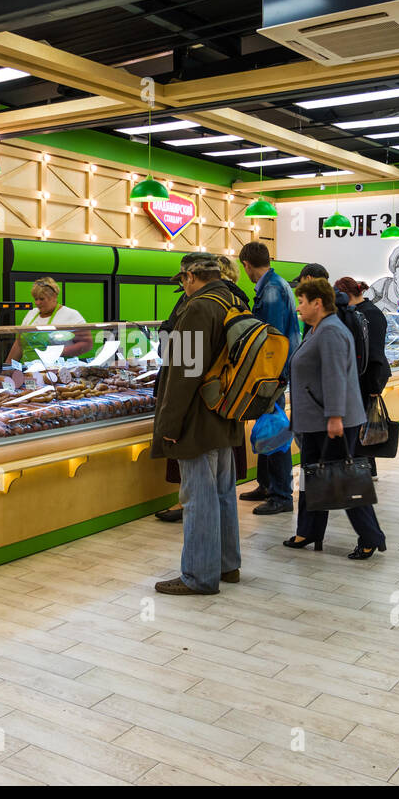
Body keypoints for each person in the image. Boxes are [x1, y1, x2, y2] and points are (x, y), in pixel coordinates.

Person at [151, 253, 244, 595]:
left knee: (197, 497)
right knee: (222, 493)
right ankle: (226, 565)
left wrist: (169, 425)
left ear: (190, 277)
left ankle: (198, 576)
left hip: (197, 417)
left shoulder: (198, 307)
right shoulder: (234, 299)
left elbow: (184, 371)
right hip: (226, 411)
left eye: (182, 281)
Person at [284, 278, 386, 559]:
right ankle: (308, 530)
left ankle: (371, 536)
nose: (298, 308)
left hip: (331, 420)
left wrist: (335, 418)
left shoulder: (330, 332)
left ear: (318, 303)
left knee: (342, 479)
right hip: (317, 419)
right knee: (311, 477)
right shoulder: (318, 329)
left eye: (302, 302)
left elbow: (335, 376)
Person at [237, 241, 300, 516]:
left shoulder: (271, 289)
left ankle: (281, 495)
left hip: (272, 373)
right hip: (275, 372)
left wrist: (268, 375)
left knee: (275, 432)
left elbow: (271, 337)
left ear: (247, 265)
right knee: (268, 427)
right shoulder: (277, 283)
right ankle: (266, 485)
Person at [335, 276, 391, 477]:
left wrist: (374, 388)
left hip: (370, 376)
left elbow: (374, 353)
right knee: (361, 424)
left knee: (362, 423)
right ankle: (366, 468)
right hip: (365, 375)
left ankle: (363, 470)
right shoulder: (359, 312)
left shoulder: (370, 315)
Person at [5, 276, 94, 369]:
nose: (37, 303)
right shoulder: (31, 314)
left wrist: (60, 352)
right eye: (36, 299)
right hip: (29, 371)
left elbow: (87, 344)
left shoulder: (71, 315)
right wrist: (8, 366)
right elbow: (19, 344)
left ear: (54, 296)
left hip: (60, 371)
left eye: (42, 299)